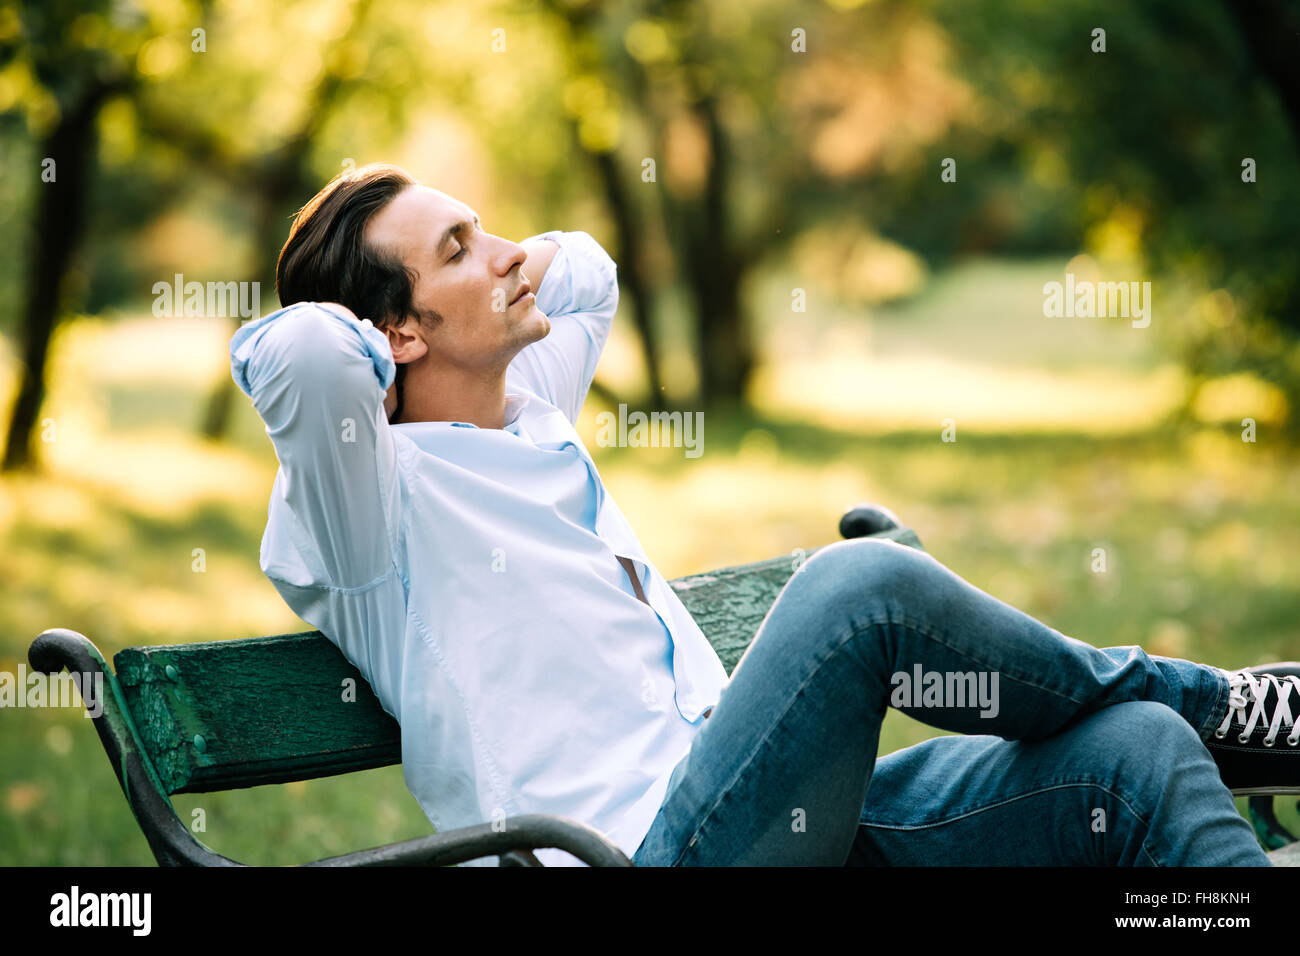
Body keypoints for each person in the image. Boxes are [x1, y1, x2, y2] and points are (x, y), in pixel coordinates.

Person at [230, 163, 1299, 867]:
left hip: (772, 818)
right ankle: (1225, 702)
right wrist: (379, 325)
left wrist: (474, 272)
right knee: (856, 584)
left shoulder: (525, 411)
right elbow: (300, 356)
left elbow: (590, 272)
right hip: (643, 854)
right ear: (395, 333)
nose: (507, 250)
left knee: (1136, 751)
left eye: (484, 227)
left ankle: (1188, 714)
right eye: (460, 248)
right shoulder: (366, 509)